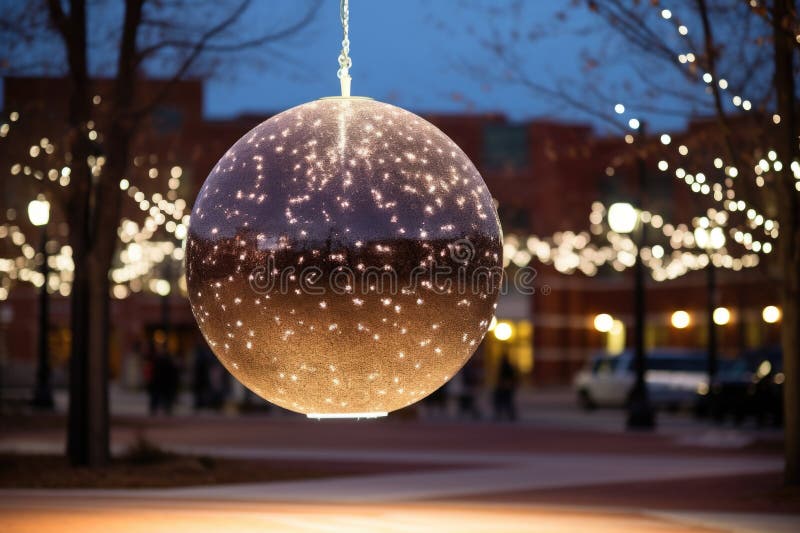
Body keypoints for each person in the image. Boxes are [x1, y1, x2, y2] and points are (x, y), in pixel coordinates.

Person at [493, 351, 518, 421]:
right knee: (506, 403)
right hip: (505, 388)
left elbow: (511, 378)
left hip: (506, 388)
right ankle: (509, 416)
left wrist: (505, 384)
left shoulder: (506, 367)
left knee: (506, 402)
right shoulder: (506, 366)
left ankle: (508, 416)